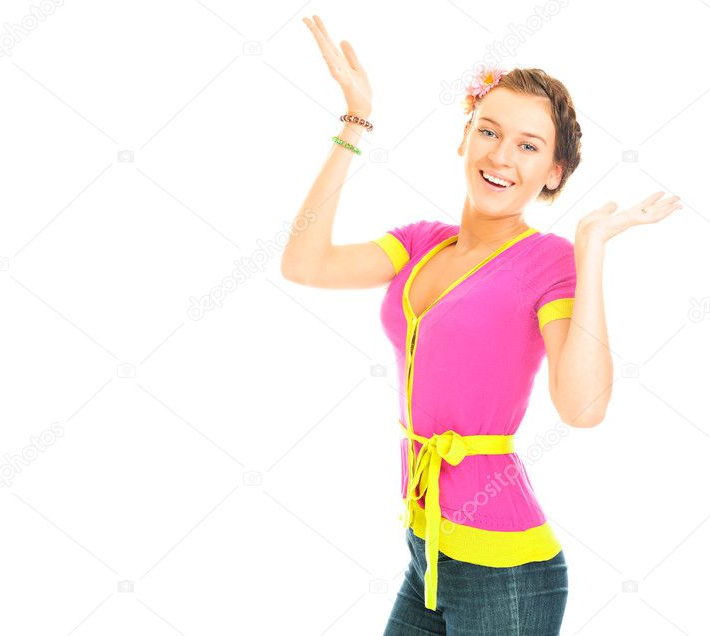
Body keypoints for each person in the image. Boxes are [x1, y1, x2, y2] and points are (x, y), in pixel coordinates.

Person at [281, 14, 683, 636]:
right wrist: (356, 120)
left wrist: (592, 247)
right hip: (427, 550)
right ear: (463, 139)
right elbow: (304, 263)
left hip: (506, 569)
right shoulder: (420, 243)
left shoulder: (547, 262)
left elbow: (583, 409)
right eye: (488, 132)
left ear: (554, 172)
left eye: (528, 145)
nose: (501, 156)